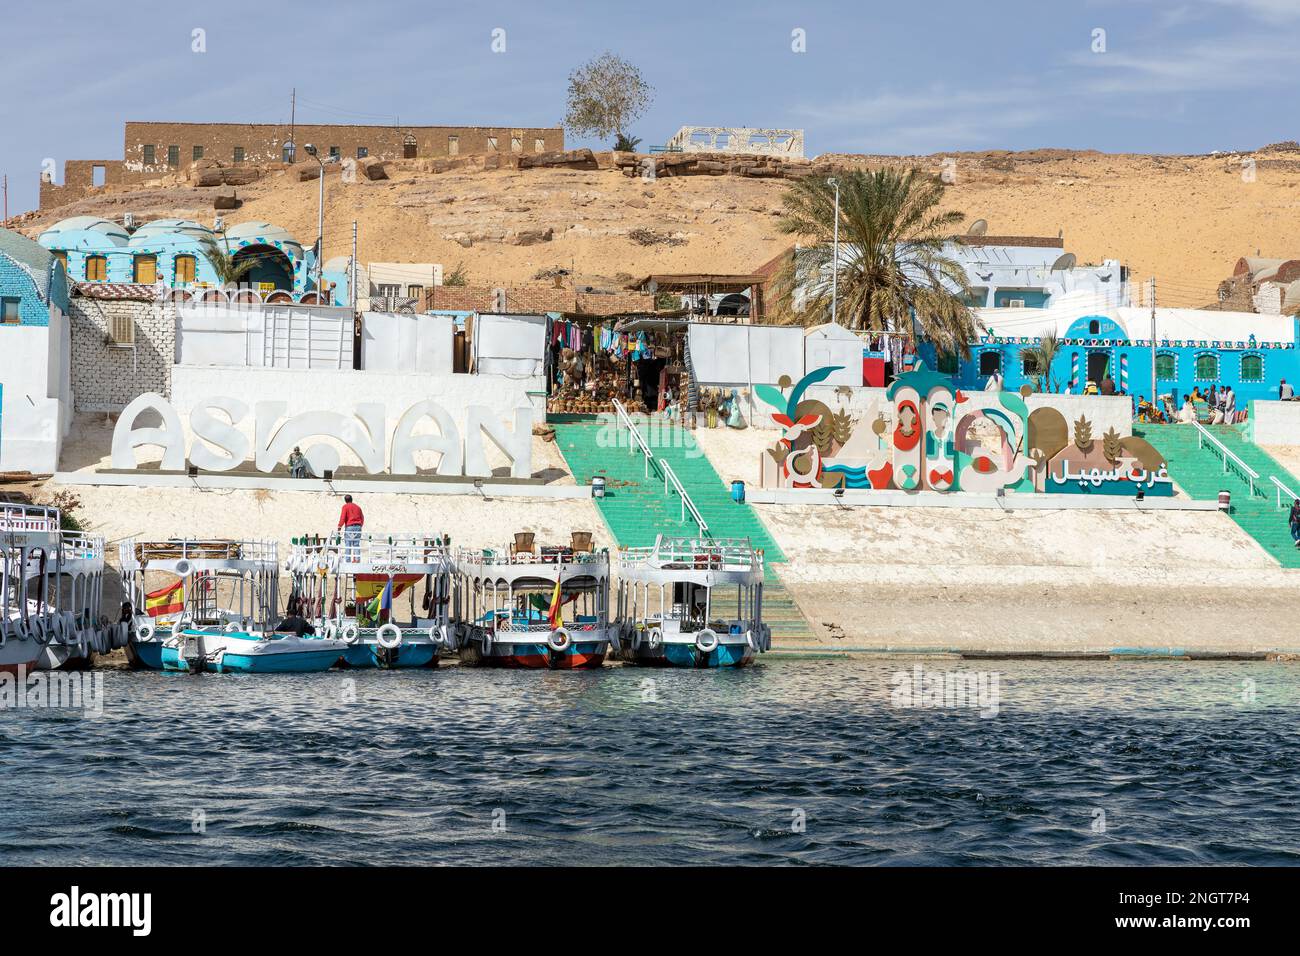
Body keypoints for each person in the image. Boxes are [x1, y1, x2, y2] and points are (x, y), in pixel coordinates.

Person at [338, 494, 364, 562]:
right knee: (356, 544)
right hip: (358, 527)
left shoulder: (345, 507)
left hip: (350, 527)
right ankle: (357, 560)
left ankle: (348, 560)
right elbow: (362, 517)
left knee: (348, 544)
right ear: (352, 499)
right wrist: (360, 525)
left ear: (345, 500)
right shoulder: (358, 507)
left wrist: (339, 526)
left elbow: (343, 517)